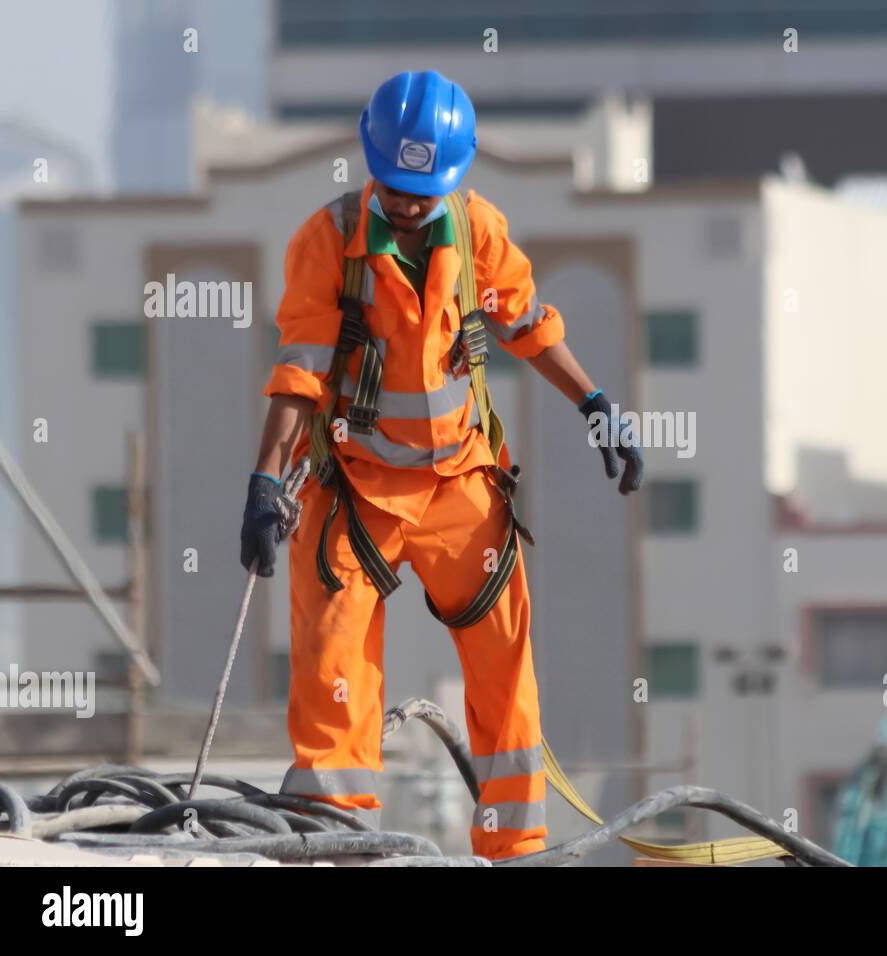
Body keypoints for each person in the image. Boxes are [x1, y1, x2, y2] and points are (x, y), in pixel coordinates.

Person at [239, 69, 642, 860]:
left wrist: (596, 406)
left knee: (505, 674)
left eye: (423, 192)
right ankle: (336, 838)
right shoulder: (327, 243)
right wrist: (262, 481)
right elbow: (299, 372)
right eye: (395, 189)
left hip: (461, 485)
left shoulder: (478, 230)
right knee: (332, 672)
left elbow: (528, 323)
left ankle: (515, 846)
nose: (409, 205)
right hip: (355, 492)